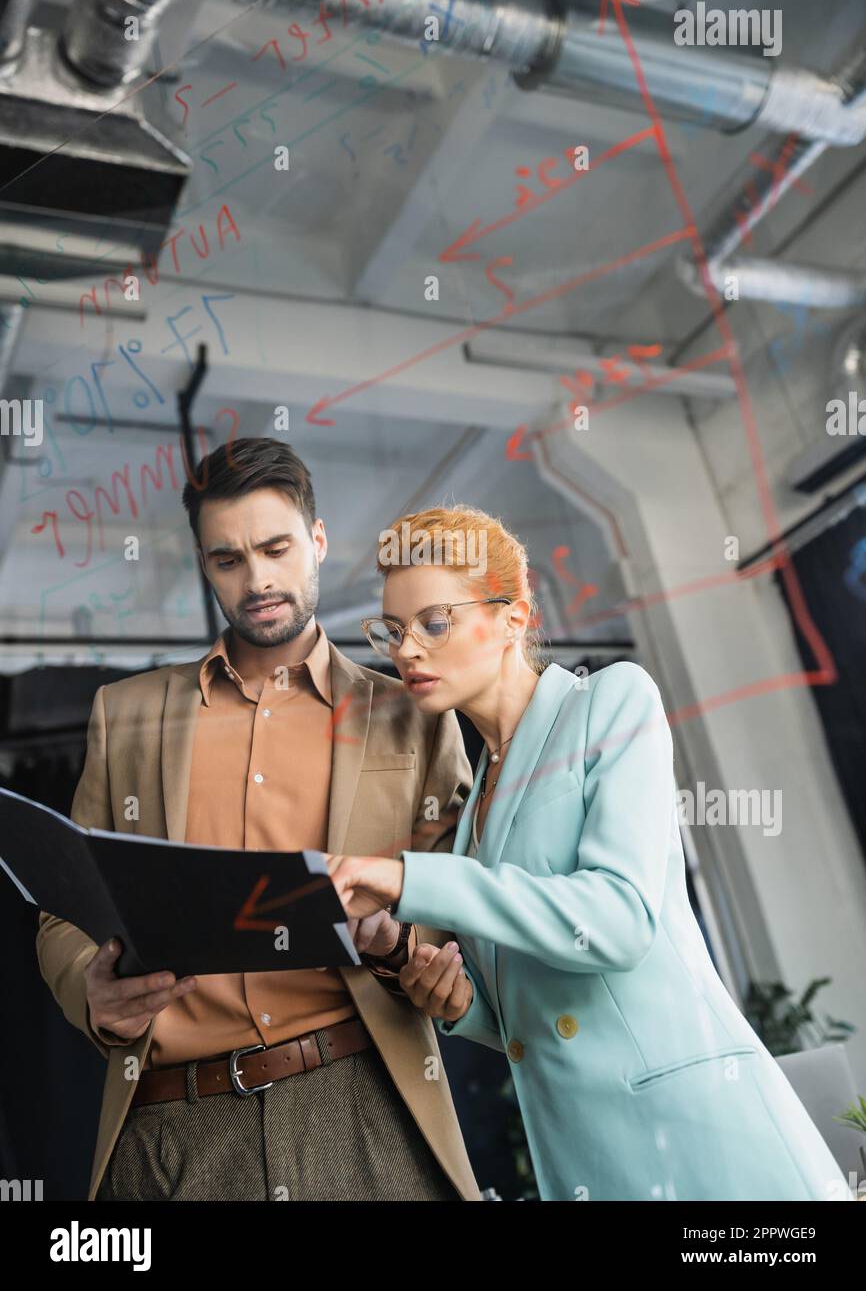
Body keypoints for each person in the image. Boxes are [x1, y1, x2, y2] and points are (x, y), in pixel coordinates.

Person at [328, 504, 855, 1202]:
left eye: (434, 621)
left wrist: (407, 878)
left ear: (513, 618)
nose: (407, 650)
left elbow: (618, 918)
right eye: (392, 631)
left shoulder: (610, 701)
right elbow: (532, 1018)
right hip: (586, 1160)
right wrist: (453, 998)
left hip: (703, 1147)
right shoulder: (476, 801)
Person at [36, 439, 482, 1202]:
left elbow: (459, 903)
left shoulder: (412, 716)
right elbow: (63, 910)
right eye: (228, 560)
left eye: (276, 548)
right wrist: (91, 991)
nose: (258, 579)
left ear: (316, 541)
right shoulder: (127, 715)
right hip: (171, 1127)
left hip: (359, 1102)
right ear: (206, 566)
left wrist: (405, 945)